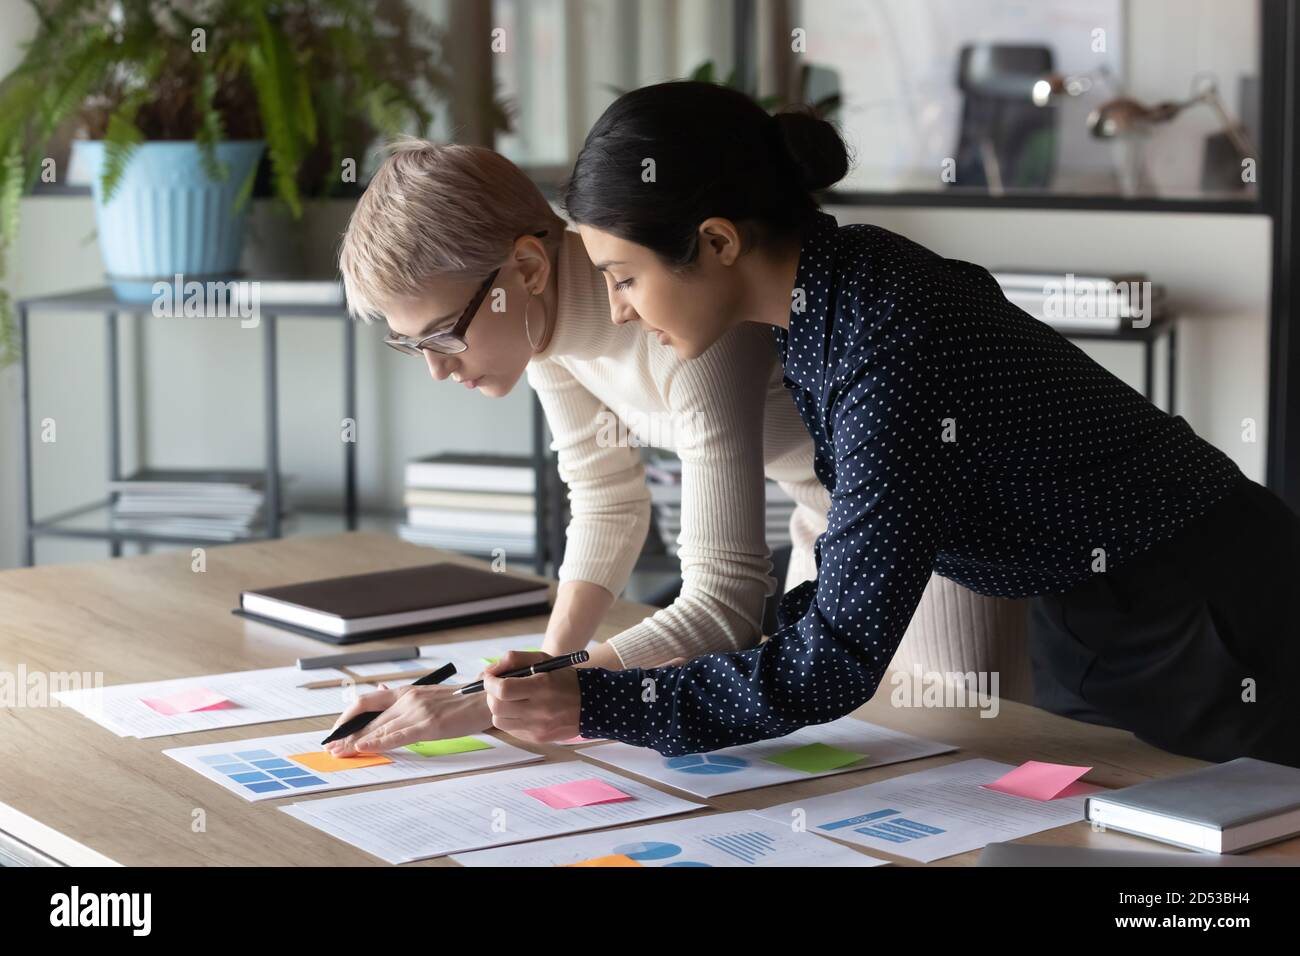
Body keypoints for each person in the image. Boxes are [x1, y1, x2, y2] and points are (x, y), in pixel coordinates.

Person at [478, 80, 1300, 768]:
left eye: (624, 277)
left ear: (718, 241)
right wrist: (586, 675)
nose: (619, 312)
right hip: (1083, 613)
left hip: (1209, 616)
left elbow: (836, 659)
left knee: (1236, 864)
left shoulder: (889, 331)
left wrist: (604, 702)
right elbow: (841, 592)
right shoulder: (825, 306)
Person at [322, 138, 828, 754]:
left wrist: (493, 703)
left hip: (916, 535)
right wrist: (533, 683)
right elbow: (607, 501)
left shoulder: (682, 317)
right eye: (412, 345)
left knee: (936, 752)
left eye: (444, 335)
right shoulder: (543, 328)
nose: (436, 369)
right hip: (824, 526)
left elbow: (724, 603)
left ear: (529, 268)